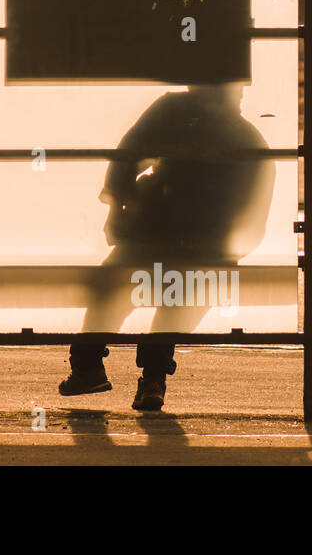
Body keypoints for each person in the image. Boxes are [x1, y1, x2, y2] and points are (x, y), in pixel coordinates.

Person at [59, 82, 274, 410]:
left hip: (153, 235)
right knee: (179, 299)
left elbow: (127, 155)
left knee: (111, 289)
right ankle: (154, 379)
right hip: (209, 251)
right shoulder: (251, 139)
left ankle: (88, 366)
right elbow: (254, 221)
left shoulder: (175, 111)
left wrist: (119, 210)